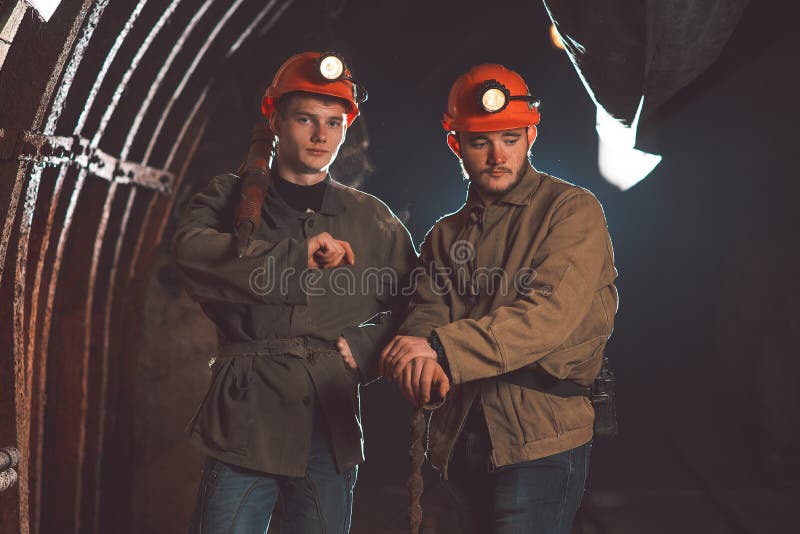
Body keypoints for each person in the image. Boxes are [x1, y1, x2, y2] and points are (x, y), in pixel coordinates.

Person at [173, 51, 416, 534]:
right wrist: (295, 255)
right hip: (245, 417)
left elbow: (420, 302)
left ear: (347, 127)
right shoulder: (232, 198)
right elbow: (192, 254)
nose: (321, 135)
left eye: (333, 121)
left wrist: (366, 348)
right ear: (275, 119)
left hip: (328, 420)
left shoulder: (371, 219)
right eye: (305, 119)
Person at [380, 63, 618, 533]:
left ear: (531, 135)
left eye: (510, 138)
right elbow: (428, 309)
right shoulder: (446, 234)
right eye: (480, 142)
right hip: (463, 434)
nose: (497, 155)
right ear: (457, 145)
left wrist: (442, 349)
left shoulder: (571, 211)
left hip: (541, 435)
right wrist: (416, 354)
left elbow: (547, 315)